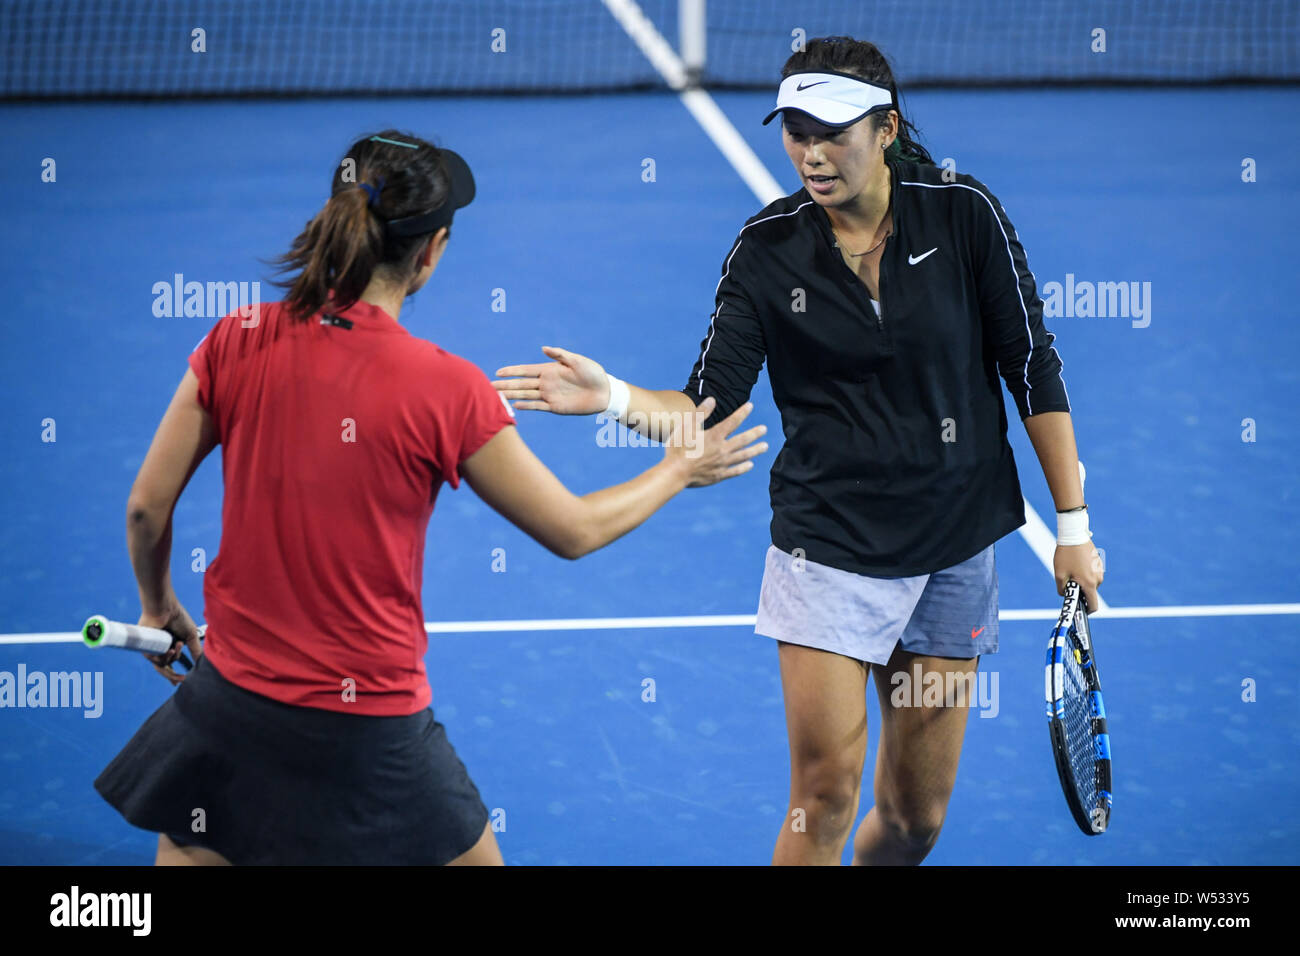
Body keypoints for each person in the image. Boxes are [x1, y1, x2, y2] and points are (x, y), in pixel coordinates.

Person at [493, 39, 1105, 865]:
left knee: (915, 820)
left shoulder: (965, 215)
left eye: (833, 133)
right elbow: (704, 413)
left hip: (955, 546)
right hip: (829, 547)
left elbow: (1032, 365)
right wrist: (609, 397)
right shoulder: (766, 249)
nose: (811, 154)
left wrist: (1073, 526)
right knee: (823, 799)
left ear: (886, 128)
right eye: (795, 132)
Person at [94, 130, 767, 866]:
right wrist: (677, 468)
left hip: (228, 706)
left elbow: (144, 510)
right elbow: (572, 530)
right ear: (432, 252)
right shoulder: (446, 388)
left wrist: (157, 604)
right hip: (370, 728)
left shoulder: (236, 337)